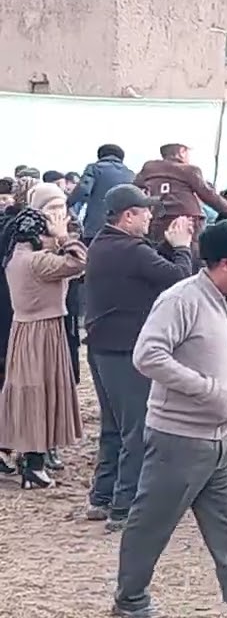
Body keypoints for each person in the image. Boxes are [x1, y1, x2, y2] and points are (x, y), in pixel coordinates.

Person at [113, 219, 227, 618]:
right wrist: (207, 390)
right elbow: (148, 355)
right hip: (178, 437)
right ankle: (130, 600)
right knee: (152, 524)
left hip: (224, 438)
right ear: (223, 263)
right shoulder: (180, 300)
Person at [84, 185, 195, 530]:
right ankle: (124, 507)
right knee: (136, 430)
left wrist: (166, 247)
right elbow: (178, 278)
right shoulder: (131, 251)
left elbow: (147, 265)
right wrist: (182, 248)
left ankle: (102, 497)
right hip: (126, 350)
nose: (151, 215)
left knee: (113, 427)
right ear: (128, 215)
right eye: (145, 210)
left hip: (103, 347)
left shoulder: (103, 243)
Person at [0, 192, 87, 488]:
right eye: (52, 210)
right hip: (42, 333)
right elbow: (77, 263)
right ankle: (33, 464)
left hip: (28, 330)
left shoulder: (18, 255)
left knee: (31, 394)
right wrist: (65, 237)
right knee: (38, 394)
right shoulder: (38, 260)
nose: (59, 216)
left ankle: (31, 458)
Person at [134, 143, 227, 254]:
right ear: (182, 152)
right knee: (191, 257)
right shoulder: (189, 170)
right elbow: (210, 196)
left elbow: (133, 188)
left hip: (157, 221)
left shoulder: (149, 168)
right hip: (187, 222)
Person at [68, 143, 135, 242]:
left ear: (100, 155)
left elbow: (83, 190)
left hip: (95, 227)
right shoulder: (130, 174)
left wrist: (67, 204)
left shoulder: (94, 168)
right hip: (122, 228)